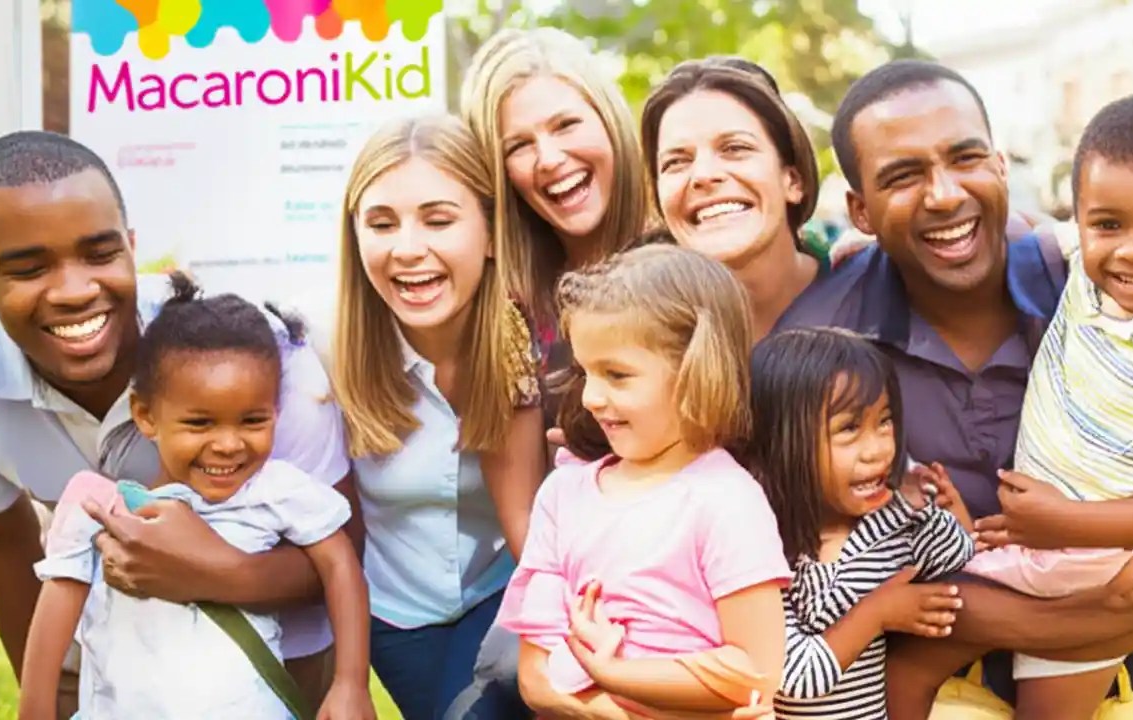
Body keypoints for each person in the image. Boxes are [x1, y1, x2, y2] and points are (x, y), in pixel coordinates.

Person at [776, 59, 1133, 718]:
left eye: (965, 158)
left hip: (1130, 678)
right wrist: (1044, 622)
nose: (943, 194)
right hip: (949, 683)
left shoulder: (1092, 282)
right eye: (903, 176)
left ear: (1000, 166)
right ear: (859, 210)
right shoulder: (824, 346)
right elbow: (802, 570)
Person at [0, 131, 353, 716]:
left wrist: (203, 570)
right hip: (118, 679)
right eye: (29, 268)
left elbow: (338, 551)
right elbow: (3, 546)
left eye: (100, 254)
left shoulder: (255, 361)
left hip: (268, 665)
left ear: (132, 247)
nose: (75, 291)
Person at [18, 275, 375, 720]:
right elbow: (58, 599)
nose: (228, 444)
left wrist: (350, 683)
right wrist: (34, 708)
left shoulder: (277, 492)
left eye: (252, 420)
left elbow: (341, 565)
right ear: (146, 417)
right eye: (200, 423)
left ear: (276, 414)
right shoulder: (100, 507)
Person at [499, 244, 791, 719]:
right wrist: (601, 711)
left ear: (698, 371)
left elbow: (755, 671)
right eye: (585, 372)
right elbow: (535, 676)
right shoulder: (563, 495)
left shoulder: (727, 502)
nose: (591, 397)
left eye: (617, 374)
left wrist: (613, 675)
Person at [328, 114, 542, 719]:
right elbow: (335, 537)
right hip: (397, 619)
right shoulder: (329, 363)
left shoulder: (519, 345)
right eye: (382, 223)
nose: (407, 248)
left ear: (491, 232)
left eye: (439, 219)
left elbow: (522, 524)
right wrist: (346, 677)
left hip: (497, 593)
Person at [745, 327, 975, 719]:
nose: (880, 449)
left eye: (884, 422)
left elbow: (960, 551)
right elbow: (795, 677)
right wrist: (878, 612)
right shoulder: (765, 545)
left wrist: (941, 504)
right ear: (782, 442)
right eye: (849, 429)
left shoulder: (892, 525)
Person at [460, 27, 653, 367]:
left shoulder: (686, 257)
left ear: (609, 120)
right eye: (519, 146)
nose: (549, 159)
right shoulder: (508, 310)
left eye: (566, 125)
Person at [640, 57, 822, 340]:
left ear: (793, 180)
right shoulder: (642, 333)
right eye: (676, 162)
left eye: (735, 148)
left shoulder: (877, 297)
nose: (703, 175)